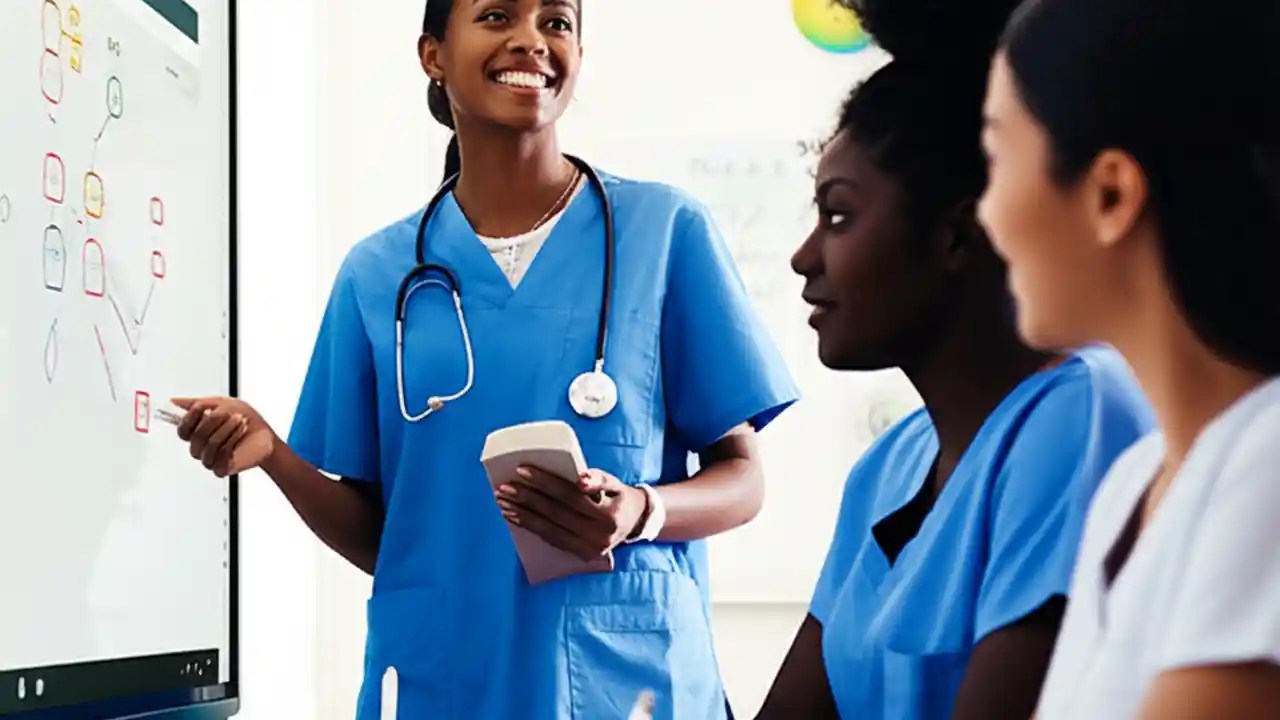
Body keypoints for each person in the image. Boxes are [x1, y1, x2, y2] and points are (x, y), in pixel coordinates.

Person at [169, 0, 799, 717]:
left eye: (556, 22)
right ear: (433, 55)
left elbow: (743, 478)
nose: (532, 40)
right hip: (448, 682)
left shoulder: (663, 232)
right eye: (498, 16)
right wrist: (274, 456)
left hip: (627, 686)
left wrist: (641, 510)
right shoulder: (378, 275)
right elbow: (394, 541)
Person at [755, 1, 1154, 718]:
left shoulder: (1081, 417)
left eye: (838, 216)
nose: (804, 257)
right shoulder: (889, 468)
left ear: (958, 235)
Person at [978, 0, 1280, 717]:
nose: (985, 210)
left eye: (996, 158)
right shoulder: (1132, 485)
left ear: (1111, 193)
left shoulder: (1267, 465)